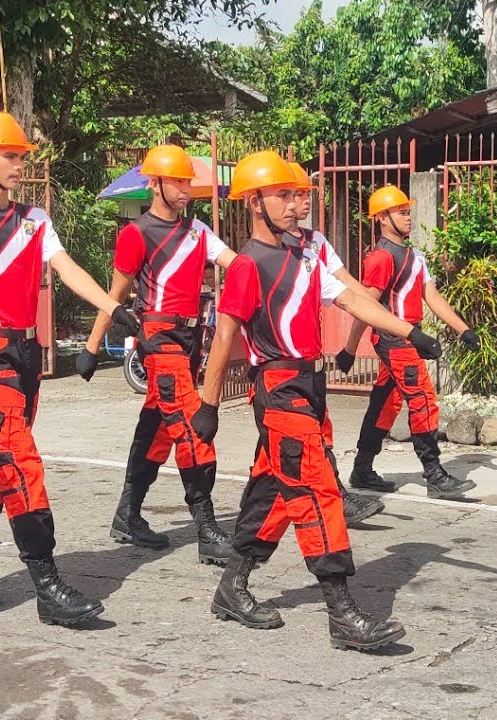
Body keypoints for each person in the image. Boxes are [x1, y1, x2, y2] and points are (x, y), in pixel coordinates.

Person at [194, 151, 442, 651]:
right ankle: (343, 613)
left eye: (295, 195)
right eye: (282, 196)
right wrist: (208, 404)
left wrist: (412, 332)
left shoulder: (305, 255)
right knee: (317, 491)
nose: (293, 204)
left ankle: (231, 587)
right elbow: (224, 340)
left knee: (271, 494)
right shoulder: (246, 266)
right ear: (254, 202)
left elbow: (354, 300)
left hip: (311, 387)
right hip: (279, 387)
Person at [0, 110, 140, 628]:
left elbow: (67, 270)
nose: (20, 165)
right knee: (21, 466)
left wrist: (112, 305)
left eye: (22, 156)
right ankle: (46, 583)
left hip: (26, 358)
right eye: (10, 156)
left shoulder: (34, 220)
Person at [77, 144, 239, 564]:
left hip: (190, 344)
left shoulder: (198, 231)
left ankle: (127, 516)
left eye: (189, 181)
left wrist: (271, 267)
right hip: (159, 342)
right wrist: (92, 346)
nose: (187, 189)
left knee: (156, 429)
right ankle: (206, 528)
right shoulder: (136, 234)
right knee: (193, 429)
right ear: (156, 184)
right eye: (180, 182)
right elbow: (114, 295)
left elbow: (234, 264)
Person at [337, 185, 480, 499]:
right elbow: (365, 306)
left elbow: (432, 296)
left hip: (409, 339)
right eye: (401, 212)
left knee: (385, 403)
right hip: (395, 340)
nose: (408, 217)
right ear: (382, 218)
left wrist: (463, 329)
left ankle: (362, 469)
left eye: (408, 211)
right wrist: (349, 349)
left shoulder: (414, 255)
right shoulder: (381, 258)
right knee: (424, 401)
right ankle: (435, 475)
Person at [283, 161, 386, 527]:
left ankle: (331, 498)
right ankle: (335, 499)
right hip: (279, 366)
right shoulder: (269, 251)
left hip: (309, 360)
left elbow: (349, 287)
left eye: (306, 194)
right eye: (295, 194)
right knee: (302, 442)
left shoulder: (316, 244)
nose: (304, 202)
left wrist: (382, 315)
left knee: (306, 440)